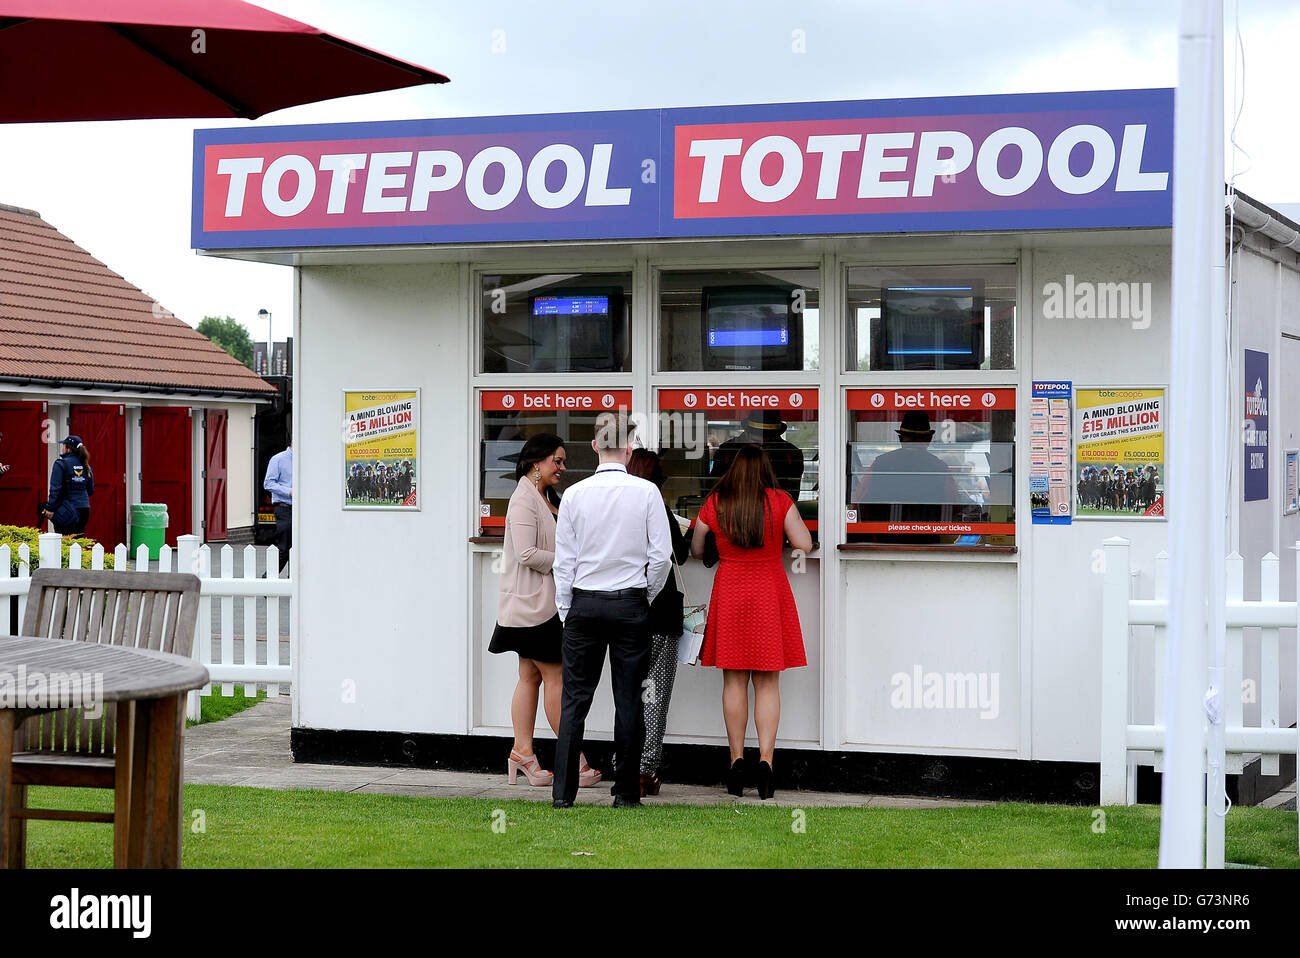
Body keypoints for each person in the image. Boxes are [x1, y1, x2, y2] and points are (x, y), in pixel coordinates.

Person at [551, 413, 672, 808]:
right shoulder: (646, 493)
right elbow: (661, 558)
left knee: (574, 701)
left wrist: (566, 608)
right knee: (629, 700)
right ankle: (625, 794)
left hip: (584, 603)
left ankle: (563, 795)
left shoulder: (573, 495)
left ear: (593, 447)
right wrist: (645, 596)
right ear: (629, 448)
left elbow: (563, 562)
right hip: (629, 603)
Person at [691, 445, 811, 800]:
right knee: (768, 684)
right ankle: (767, 762)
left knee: (733, 682)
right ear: (765, 471)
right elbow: (803, 543)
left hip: (730, 590)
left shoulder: (717, 502)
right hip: (768, 589)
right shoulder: (779, 500)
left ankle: (736, 760)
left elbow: (697, 549)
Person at [488, 433, 599, 789]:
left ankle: (522, 754)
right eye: (558, 461)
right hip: (534, 608)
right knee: (557, 679)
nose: (562, 468)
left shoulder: (542, 496)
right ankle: (575, 762)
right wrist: (570, 562)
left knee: (530, 676)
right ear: (538, 462)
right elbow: (526, 553)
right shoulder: (523, 500)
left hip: (535, 606)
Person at [626, 448, 690, 798]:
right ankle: (645, 771)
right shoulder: (657, 508)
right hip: (659, 614)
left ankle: (625, 763)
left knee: (628, 693)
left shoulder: (616, 509)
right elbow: (677, 554)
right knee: (655, 696)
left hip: (623, 612)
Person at [852, 409, 961, 544]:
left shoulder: (880, 463)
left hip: (884, 541)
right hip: (927, 543)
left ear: (900, 438)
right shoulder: (940, 468)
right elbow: (954, 505)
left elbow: (859, 501)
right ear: (928, 439)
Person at [709, 410, 804, 500]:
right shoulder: (726, 452)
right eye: (756, 443)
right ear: (747, 434)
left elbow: (791, 497)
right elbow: (715, 490)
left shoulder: (792, 456)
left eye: (767, 443)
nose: (761, 449)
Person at [44, 435, 93, 535]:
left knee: (64, 544)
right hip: (84, 510)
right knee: (78, 544)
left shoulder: (61, 464)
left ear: (68, 449)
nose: (62, 448)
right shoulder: (86, 466)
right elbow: (90, 490)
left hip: (67, 511)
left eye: (64, 446)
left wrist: (49, 508)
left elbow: (55, 489)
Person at [263, 440, 292, 573]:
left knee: (300, 550)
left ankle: (295, 587)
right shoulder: (278, 459)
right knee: (284, 548)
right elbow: (268, 483)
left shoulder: (307, 460)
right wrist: (289, 491)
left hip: (303, 510)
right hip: (285, 508)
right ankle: (266, 583)